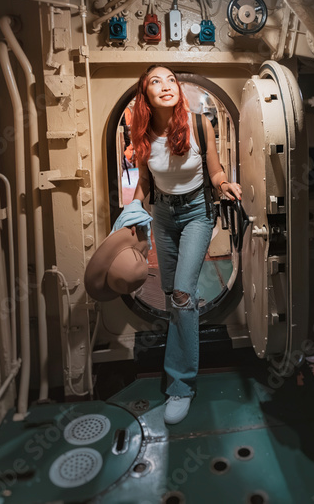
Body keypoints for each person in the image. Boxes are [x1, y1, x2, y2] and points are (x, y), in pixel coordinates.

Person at [115, 64, 242, 424]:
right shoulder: (141, 133)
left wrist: (224, 185)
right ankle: (184, 328)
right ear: (146, 95)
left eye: (171, 79)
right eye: (156, 81)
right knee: (173, 293)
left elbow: (214, 170)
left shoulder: (199, 124)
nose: (166, 85)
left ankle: (180, 384)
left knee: (183, 295)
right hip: (163, 215)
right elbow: (144, 181)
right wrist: (132, 212)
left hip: (197, 212)